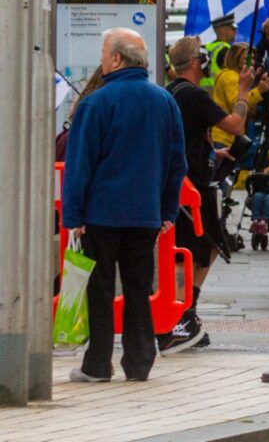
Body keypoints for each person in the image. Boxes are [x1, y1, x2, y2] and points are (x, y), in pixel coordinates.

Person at [61, 29, 187, 383]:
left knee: (99, 289)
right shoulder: (164, 101)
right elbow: (177, 163)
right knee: (138, 287)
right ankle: (139, 361)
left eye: (104, 52)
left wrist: (74, 215)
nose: (101, 58)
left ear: (116, 59)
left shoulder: (95, 103)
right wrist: (166, 211)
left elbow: (80, 165)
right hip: (145, 214)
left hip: (100, 214)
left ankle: (98, 364)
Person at [162, 37, 251, 352]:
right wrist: (243, 91)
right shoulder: (194, 95)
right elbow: (237, 124)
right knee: (203, 247)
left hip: (178, 181)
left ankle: (183, 313)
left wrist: (215, 151)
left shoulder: (170, 92)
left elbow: (184, 135)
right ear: (198, 62)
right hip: (193, 186)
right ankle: (182, 315)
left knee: (194, 247)